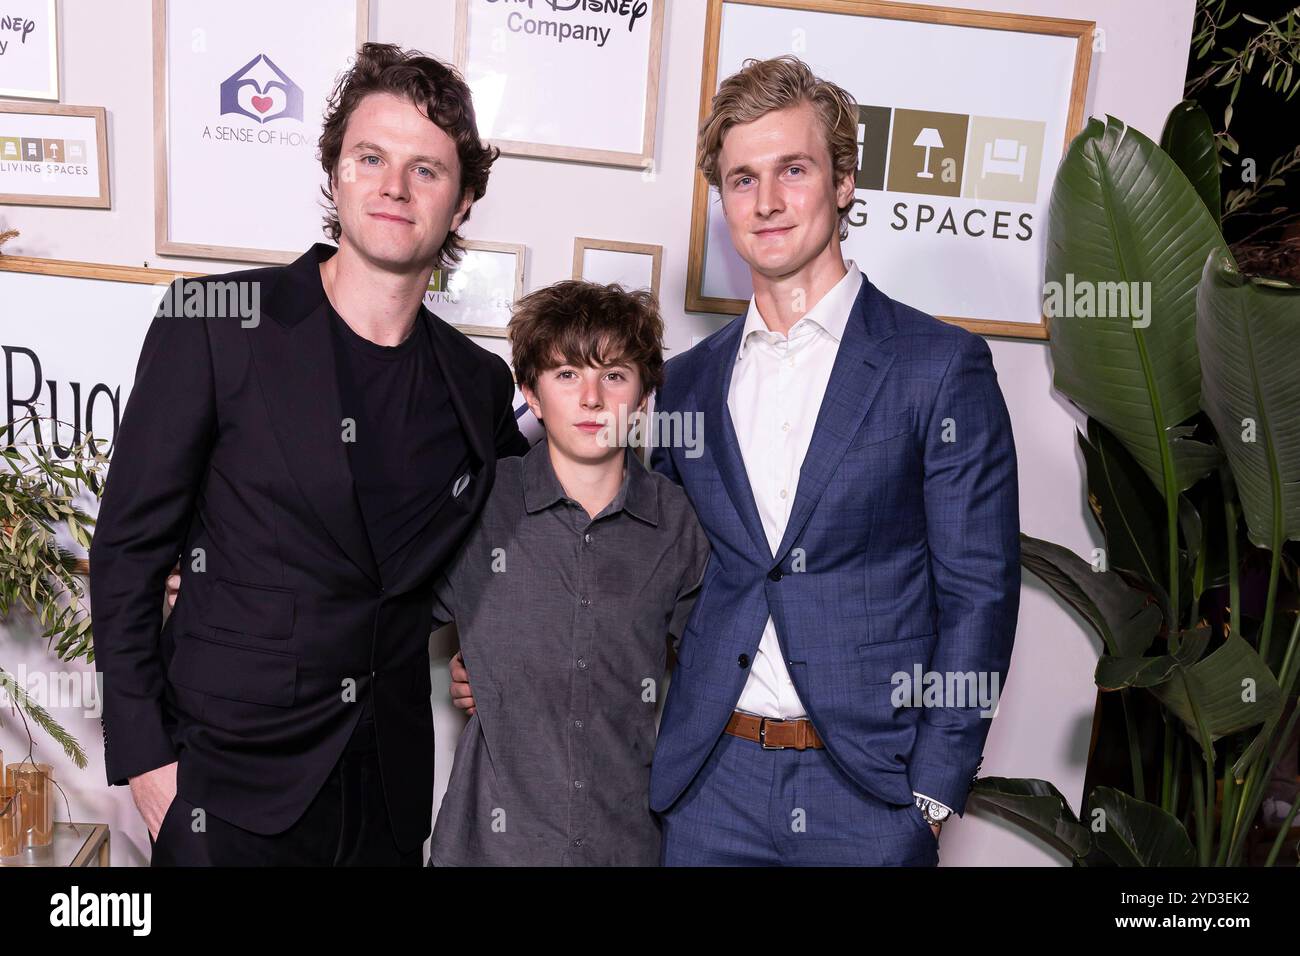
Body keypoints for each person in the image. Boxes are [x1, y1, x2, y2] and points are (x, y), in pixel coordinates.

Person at [451, 54, 1021, 865]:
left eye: (794, 169)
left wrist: (932, 790)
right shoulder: (686, 383)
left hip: (869, 792)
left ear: (845, 181)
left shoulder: (937, 367)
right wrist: (508, 654)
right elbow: (642, 559)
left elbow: (980, 591)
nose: (769, 201)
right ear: (722, 202)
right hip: (707, 787)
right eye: (742, 179)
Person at [91, 42, 526, 866]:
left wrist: (496, 650)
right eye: (371, 157)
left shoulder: (475, 383)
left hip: (388, 797)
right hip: (222, 788)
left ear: (463, 202)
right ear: (336, 174)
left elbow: (527, 538)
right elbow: (126, 555)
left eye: (427, 170)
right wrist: (148, 766)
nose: (394, 187)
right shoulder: (216, 320)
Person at [428, 280, 709, 866]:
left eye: (613, 375)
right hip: (490, 847)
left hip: (624, 843)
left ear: (644, 396)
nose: (591, 399)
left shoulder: (680, 524)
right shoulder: (475, 505)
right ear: (530, 394)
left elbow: (716, 677)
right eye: (565, 375)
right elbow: (371, 619)